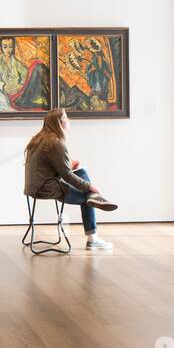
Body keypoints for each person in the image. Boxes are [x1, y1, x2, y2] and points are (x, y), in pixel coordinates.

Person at [23, 107, 118, 251]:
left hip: (34, 187)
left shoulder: (38, 139)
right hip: (48, 188)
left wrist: (69, 165)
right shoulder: (56, 143)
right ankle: (93, 238)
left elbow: (50, 167)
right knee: (88, 198)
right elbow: (66, 175)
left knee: (82, 173)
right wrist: (90, 187)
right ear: (59, 122)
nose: (69, 120)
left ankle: (94, 198)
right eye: (66, 117)